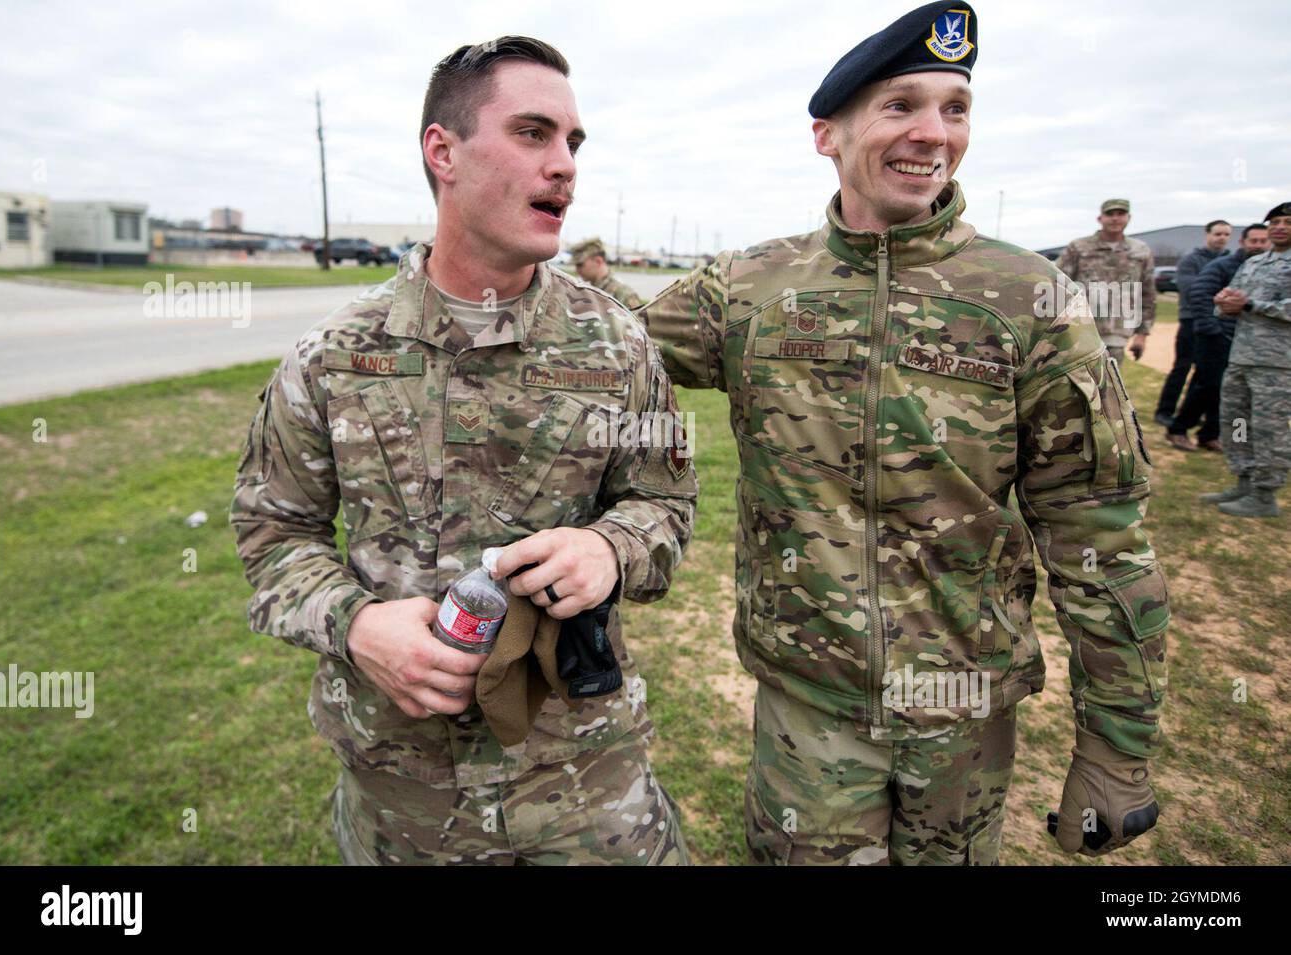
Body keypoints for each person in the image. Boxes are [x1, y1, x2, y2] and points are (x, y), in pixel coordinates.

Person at [640, 0, 1168, 865]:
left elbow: (1100, 533)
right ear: (827, 134)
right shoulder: (748, 288)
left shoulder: (1029, 297)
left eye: (954, 109)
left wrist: (1116, 748)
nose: (934, 133)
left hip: (963, 710)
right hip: (810, 706)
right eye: (900, 105)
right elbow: (601, 357)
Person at [230, 36, 697, 865]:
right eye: (532, 133)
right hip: (404, 796)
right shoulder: (334, 353)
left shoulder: (619, 344)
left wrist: (609, 547)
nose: (564, 166)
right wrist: (358, 623)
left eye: (573, 143)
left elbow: (666, 502)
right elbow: (274, 537)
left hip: (584, 782)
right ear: (442, 152)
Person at [1205, 202, 1291, 517]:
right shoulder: (1255, 263)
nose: (1280, 227)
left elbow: (1255, 303)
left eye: (1287, 222)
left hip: (1279, 362)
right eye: (1275, 222)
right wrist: (1223, 302)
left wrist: (1251, 304)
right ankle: (1243, 479)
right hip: (1242, 355)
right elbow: (1232, 296)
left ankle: (1265, 494)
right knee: (1236, 420)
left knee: (1270, 428)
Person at [1169, 223, 1270, 454]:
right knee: (1207, 386)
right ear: (1243, 242)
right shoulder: (1223, 266)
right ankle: (1179, 428)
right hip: (1215, 337)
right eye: (1253, 240)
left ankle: (1213, 435)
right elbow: (1200, 294)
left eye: (1262, 241)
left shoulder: (1264, 270)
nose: (1258, 245)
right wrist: (1211, 328)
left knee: (1235, 391)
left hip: (1247, 340)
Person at [1057, 199, 1157, 363]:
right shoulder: (1079, 247)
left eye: (1120, 214)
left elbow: (1147, 294)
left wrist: (1142, 335)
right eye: (1110, 214)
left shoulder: (1140, 251)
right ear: (1100, 218)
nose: (1115, 218)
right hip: (1080, 329)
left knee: (1110, 384)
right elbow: (1058, 284)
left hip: (1118, 331)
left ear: (1128, 217)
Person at [1156, 219, 1231, 433]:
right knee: (1182, 367)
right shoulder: (1191, 260)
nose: (1221, 238)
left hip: (1219, 323)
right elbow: (1191, 290)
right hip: (1191, 320)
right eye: (1217, 234)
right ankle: (1165, 411)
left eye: (1226, 234)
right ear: (1207, 235)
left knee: (1206, 372)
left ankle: (1192, 414)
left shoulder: (1230, 261)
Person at [569, 236, 644, 309]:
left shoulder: (624, 295)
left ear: (598, 261)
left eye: (580, 265)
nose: (576, 270)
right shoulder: (589, 290)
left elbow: (636, 321)